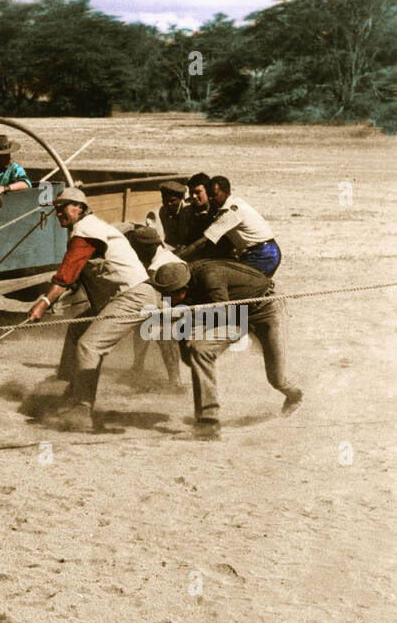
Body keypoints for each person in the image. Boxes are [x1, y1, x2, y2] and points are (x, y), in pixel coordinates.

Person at [25, 187, 156, 432]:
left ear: (80, 208)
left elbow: (67, 273)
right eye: (56, 208)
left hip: (134, 296)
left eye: (63, 208)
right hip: (120, 297)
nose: (58, 213)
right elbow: (76, 278)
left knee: (89, 345)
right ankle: (73, 392)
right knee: (77, 330)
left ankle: (82, 410)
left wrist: (43, 303)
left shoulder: (87, 229)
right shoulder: (85, 229)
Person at [153, 259, 303, 439]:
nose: (164, 299)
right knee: (199, 349)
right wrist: (187, 351)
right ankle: (208, 423)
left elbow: (223, 316)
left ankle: (295, 395)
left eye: (168, 294)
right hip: (237, 314)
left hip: (266, 310)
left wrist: (183, 319)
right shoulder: (180, 284)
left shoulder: (210, 277)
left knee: (277, 379)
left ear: (182, 289)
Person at [175, 176, 281, 276]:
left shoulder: (230, 211)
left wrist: (176, 257)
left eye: (214, 195)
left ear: (226, 193)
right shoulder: (190, 211)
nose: (211, 198)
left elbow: (204, 242)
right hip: (256, 253)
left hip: (263, 254)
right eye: (210, 195)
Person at [122, 224, 184, 391]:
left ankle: (175, 381)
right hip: (172, 303)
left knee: (163, 331)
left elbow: (152, 297)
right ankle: (137, 366)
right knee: (144, 324)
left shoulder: (158, 265)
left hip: (190, 306)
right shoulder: (159, 255)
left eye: (137, 249)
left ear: (148, 248)